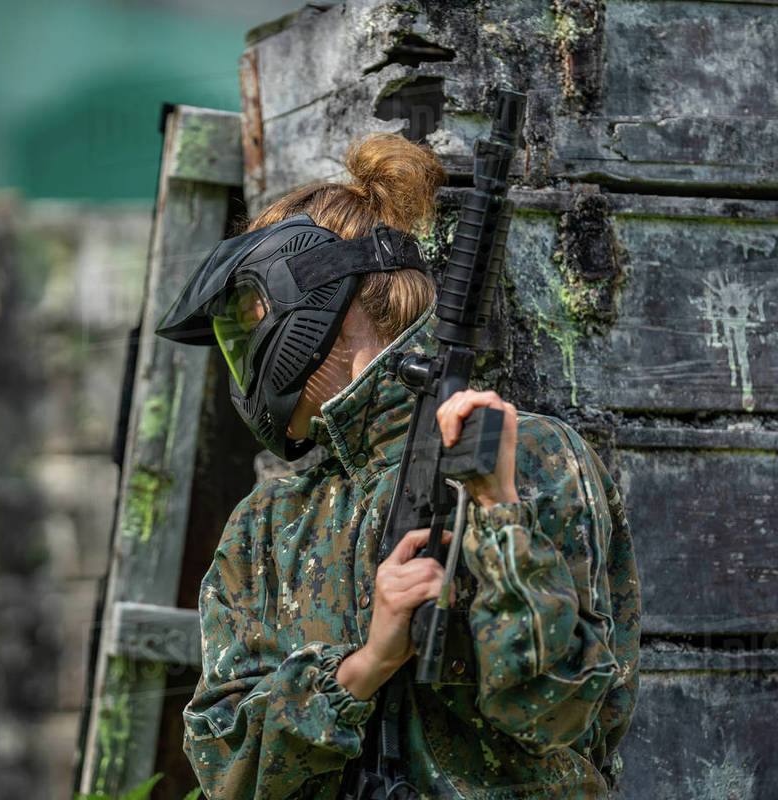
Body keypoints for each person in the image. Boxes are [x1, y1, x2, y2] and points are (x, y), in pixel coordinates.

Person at [155, 132, 640, 799]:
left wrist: (499, 515)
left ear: (321, 300)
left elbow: (559, 712)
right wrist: (365, 666)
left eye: (248, 320)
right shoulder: (266, 526)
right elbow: (225, 771)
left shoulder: (524, 455)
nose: (244, 360)